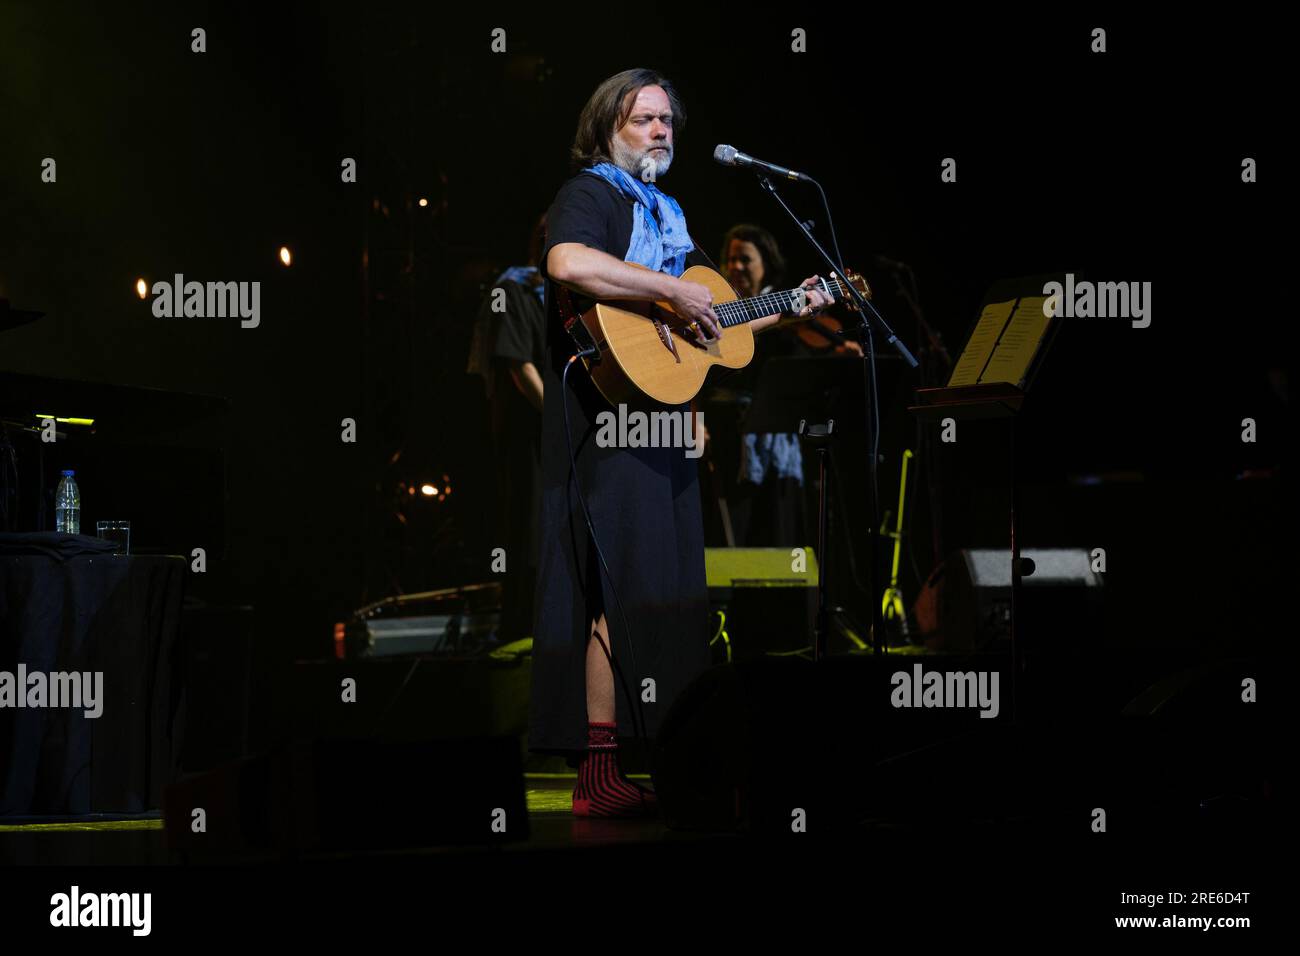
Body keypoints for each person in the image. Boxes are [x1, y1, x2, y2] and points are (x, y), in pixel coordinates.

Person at [526, 68, 832, 817]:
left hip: (660, 420)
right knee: (613, 586)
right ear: (607, 128)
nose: (662, 131)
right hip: (605, 420)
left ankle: (667, 754)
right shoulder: (592, 193)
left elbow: (708, 328)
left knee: (665, 594)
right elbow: (566, 264)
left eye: (668, 121)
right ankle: (597, 771)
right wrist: (669, 291)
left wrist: (794, 308)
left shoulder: (666, 211)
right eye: (644, 119)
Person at [715, 224, 863, 548]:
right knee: (732, 534)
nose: (736, 267)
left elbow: (802, 353)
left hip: (776, 432)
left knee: (780, 532)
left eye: (745, 259)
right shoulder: (712, 308)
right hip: (727, 432)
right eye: (730, 259)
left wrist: (837, 351)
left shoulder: (780, 310)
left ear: (766, 263)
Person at [465, 216, 548, 646]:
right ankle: (522, 641)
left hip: (567, 436)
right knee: (530, 538)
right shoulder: (512, 288)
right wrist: (560, 415)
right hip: (530, 436)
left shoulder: (577, 295)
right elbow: (519, 366)